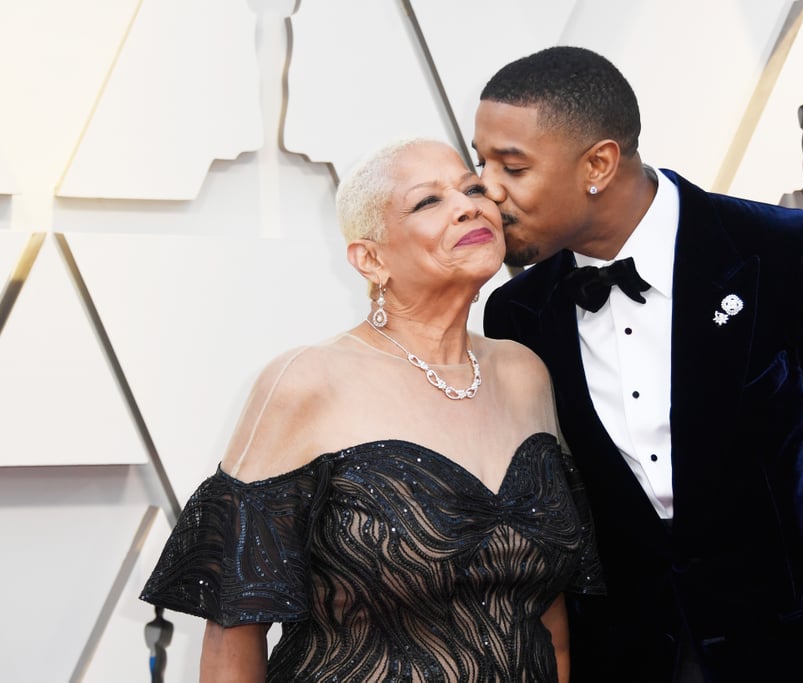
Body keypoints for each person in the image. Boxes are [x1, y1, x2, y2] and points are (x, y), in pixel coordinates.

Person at [475, 46, 803, 682]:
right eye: (481, 161)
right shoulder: (518, 313)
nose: (487, 189)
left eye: (511, 166)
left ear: (599, 163)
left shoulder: (796, 258)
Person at [140, 138, 602, 682]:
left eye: (473, 188)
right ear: (370, 258)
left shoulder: (525, 373)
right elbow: (232, 631)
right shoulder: (306, 382)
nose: (470, 205)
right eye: (428, 201)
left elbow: (548, 615)